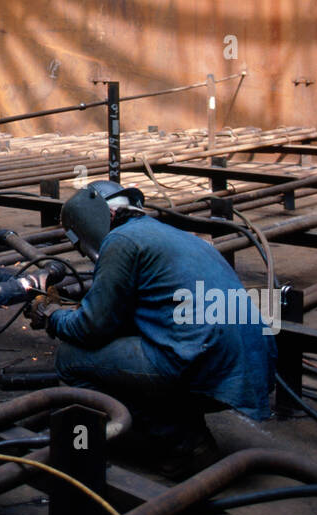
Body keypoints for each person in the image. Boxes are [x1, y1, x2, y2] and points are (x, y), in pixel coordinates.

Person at [30, 180, 277, 478]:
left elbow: (91, 327)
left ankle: (184, 443)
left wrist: (51, 315)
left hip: (204, 365)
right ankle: (181, 427)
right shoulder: (176, 235)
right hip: (252, 366)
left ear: (95, 218)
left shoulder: (121, 240)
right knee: (132, 347)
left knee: (71, 359)